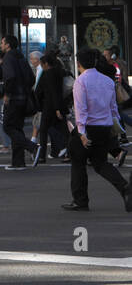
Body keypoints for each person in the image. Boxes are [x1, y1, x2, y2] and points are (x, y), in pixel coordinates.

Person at [65, 48, 132, 212]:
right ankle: (125, 188)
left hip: (88, 127)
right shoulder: (107, 81)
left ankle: (80, 200)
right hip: (105, 126)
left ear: (78, 63)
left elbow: (81, 110)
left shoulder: (81, 82)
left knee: (78, 162)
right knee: (101, 163)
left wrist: (81, 133)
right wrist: (115, 128)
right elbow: (113, 108)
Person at [0, 36, 32, 170]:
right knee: (17, 128)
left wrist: (7, 93)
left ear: (7, 45)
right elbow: (31, 77)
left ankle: (33, 147)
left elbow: (10, 76)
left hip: (13, 97)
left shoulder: (8, 58)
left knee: (8, 126)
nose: (1, 45)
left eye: (2, 42)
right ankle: (18, 161)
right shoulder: (21, 57)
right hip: (23, 97)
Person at [34, 52, 68, 166]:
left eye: (42, 64)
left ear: (46, 64)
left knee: (43, 130)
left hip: (49, 106)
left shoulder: (48, 74)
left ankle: (42, 155)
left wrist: (56, 108)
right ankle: (68, 151)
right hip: (59, 105)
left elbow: (52, 92)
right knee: (64, 130)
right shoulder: (60, 71)